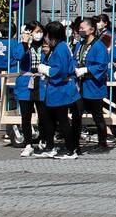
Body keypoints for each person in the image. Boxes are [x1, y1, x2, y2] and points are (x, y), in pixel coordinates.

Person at [36, 20, 82, 160]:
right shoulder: (59, 47)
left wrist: (47, 70)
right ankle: (52, 147)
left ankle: (71, 149)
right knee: (50, 119)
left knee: (62, 121)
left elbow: (61, 70)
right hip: (56, 88)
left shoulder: (61, 48)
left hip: (60, 88)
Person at [74, 17, 111, 151]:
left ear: (92, 29)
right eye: (80, 28)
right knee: (76, 114)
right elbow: (74, 59)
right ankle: (75, 143)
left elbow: (102, 66)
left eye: (83, 28)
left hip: (94, 85)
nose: (80, 30)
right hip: (80, 86)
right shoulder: (80, 44)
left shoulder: (99, 46)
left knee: (97, 116)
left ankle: (102, 142)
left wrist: (87, 70)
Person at [12, 22, 49, 156]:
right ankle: (28, 144)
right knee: (26, 116)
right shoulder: (23, 45)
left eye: (40, 31)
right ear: (29, 33)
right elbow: (18, 57)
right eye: (35, 31)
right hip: (25, 83)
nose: (38, 34)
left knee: (44, 115)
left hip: (42, 82)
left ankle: (44, 139)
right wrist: (24, 42)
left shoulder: (46, 45)